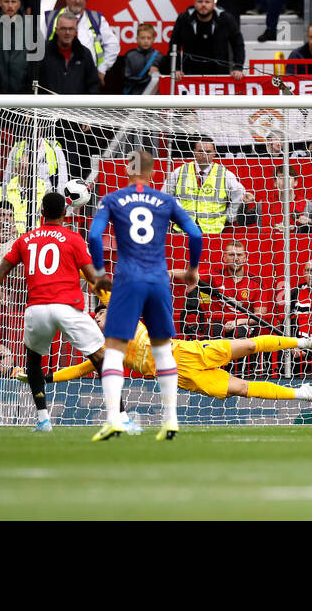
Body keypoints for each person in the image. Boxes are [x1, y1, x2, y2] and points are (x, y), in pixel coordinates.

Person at [14, 292, 312, 417]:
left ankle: (305, 342)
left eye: (100, 313)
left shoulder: (124, 314)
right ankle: (302, 392)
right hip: (182, 377)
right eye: (96, 316)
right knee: (241, 388)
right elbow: (81, 370)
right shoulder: (104, 350)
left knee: (247, 345)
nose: (96, 318)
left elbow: (104, 288)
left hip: (189, 353)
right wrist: (44, 377)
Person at [86, 151, 202, 441]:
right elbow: (196, 234)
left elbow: (94, 236)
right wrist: (191, 270)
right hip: (158, 280)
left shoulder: (113, 199)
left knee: (113, 349)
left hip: (128, 279)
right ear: (153, 172)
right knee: (163, 349)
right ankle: (171, 420)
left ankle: (114, 419)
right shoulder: (166, 200)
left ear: (128, 169)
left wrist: (100, 271)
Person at [0, 192, 113, 431]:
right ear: (63, 213)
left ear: (40, 213)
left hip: (36, 309)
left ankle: (43, 420)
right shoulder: (72, 238)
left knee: (33, 361)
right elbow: (92, 277)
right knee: (101, 358)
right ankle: (119, 417)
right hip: (67, 308)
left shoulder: (25, 239)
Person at [162, 136, 253, 236]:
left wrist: (230, 217)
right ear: (194, 152)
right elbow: (164, 196)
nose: (204, 155)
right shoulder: (180, 172)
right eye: (200, 151)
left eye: (208, 152)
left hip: (212, 232)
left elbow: (239, 194)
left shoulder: (224, 174)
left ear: (214, 153)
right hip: (182, 230)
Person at [43, 0, 118, 86]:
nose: (77, 1)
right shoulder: (50, 18)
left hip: (87, 75)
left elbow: (113, 45)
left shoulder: (97, 19)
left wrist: (102, 69)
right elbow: (39, 46)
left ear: (85, 0)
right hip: (55, 74)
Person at [171, 0, 244, 78]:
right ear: (194, 4)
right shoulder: (183, 19)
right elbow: (174, 44)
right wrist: (176, 68)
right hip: (190, 73)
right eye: (200, 1)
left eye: (207, 2)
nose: (203, 5)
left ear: (214, 5)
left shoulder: (226, 19)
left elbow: (238, 44)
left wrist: (238, 67)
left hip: (220, 72)